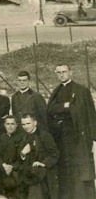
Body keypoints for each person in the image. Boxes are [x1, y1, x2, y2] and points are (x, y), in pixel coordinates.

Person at [47, 63, 96, 199]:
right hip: (61, 136)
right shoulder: (56, 91)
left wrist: (93, 138)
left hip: (78, 135)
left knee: (80, 168)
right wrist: (65, 106)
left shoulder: (82, 91)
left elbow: (91, 113)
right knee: (65, 167)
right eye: (59, 72)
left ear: (71, 72)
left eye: (64, 71)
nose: (61, 74)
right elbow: (50, 110)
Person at [15, 113, 58, 199]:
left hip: (41, 174)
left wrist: (43, 163)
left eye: (28, 123)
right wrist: (23, 153)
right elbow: (18, 156)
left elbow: (55, 153)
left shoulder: (45, 135)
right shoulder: (23, 137)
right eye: (23, 124)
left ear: (35, 123)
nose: (25, 127)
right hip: (27, 173)